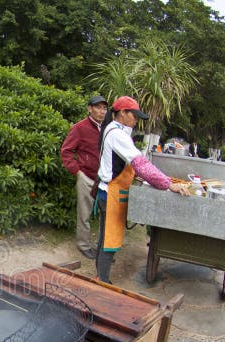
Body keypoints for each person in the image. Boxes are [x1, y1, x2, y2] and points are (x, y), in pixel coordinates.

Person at [94, 96, 189, 283]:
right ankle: (102, 281)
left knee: (105, 238)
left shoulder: (113, 130)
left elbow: (120, 163)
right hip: (110, 193)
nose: (137, 120)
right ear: (123, 113)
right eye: (134, 115)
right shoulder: (117, 134)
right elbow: (141, 164)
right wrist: (168, 184)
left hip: (109, 191)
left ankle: (100, 276)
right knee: (109, 241)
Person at [61, 95, 108, 259]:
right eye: (98, 107)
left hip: (104, 179)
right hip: (86, 177)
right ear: (90, 108)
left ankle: (102, 249)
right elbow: (66, 151)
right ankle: (84, 245)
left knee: (105, 215)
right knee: (84, 213)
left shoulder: (107, 128)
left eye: (104, 108)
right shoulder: (79, 127)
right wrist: (77, 171)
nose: (102, 111)